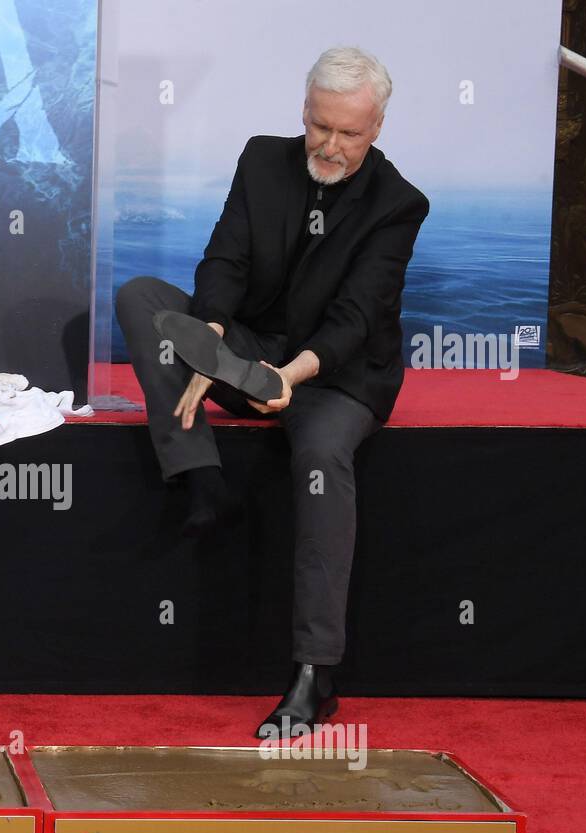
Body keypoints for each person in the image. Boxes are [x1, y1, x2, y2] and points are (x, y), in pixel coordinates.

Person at [115, 46, 429, 737]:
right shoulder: (262, 160)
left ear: (376, 129)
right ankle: (200, 477)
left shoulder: (399, 204)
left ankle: (316, 673)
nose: (331, 145)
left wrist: (288, 378)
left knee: (319, 460)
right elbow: (224, 259)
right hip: (251, 349)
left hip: (337, 376)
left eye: (349, 133)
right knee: (141, 297)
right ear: (304, 112)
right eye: (321, 126)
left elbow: (357, 318)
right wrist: (212, 342)